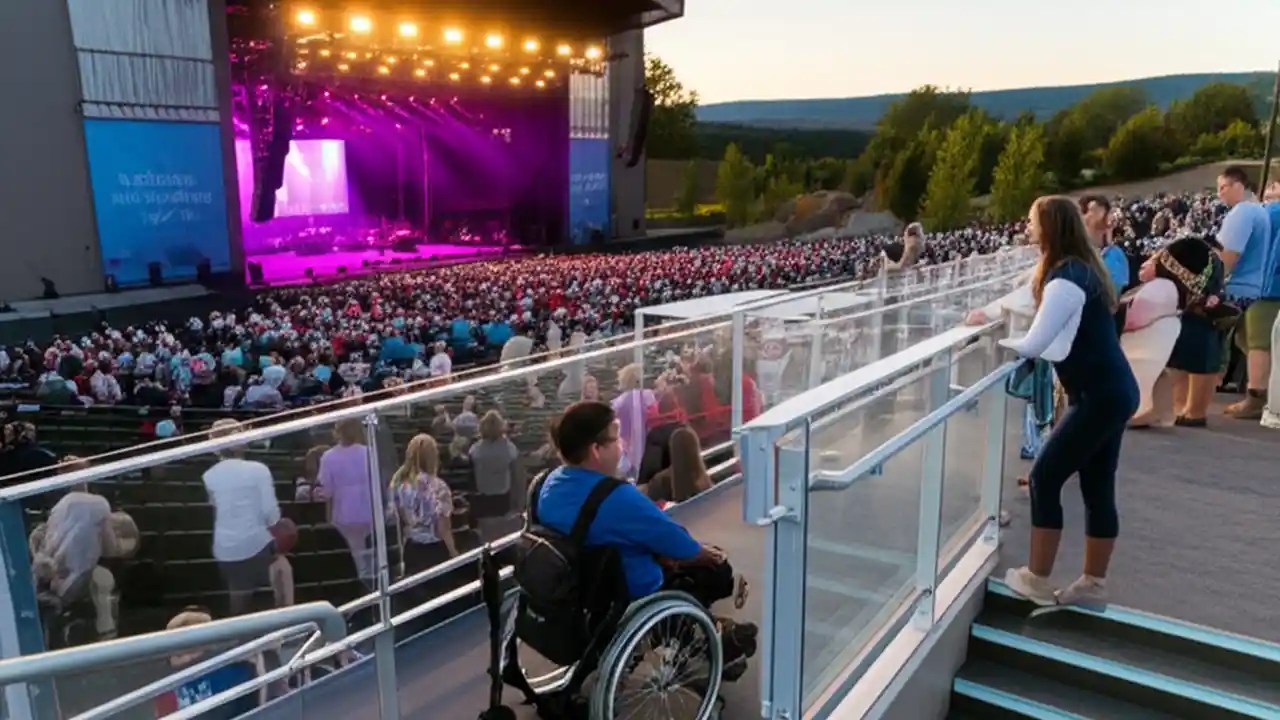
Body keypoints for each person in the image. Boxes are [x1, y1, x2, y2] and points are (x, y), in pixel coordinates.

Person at [1000, 196, 1138, 608]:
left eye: (1031, 220)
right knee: (1097, 485)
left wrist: (993, 342)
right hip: (1111, 391)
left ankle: (1037, 579)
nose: (1026, 226)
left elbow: (1034, 343)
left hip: (1098, 395)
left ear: (1049, 227)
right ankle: (1092, 584)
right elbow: (1020, 300)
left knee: (1045, 477)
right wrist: (983, 314)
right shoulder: (1078, 270)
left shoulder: (1064, 280)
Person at [203, 419, 282, 615]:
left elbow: (215, 507)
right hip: (255, 544)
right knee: (282, 570)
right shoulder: (259, 470)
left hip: (224, 547)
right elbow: (271, 514)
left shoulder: (209, 475)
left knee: (238, 592)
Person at [1215, 166, 1275, 420]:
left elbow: (1229, 254)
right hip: (1260, 285)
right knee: (1247, 340)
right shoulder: (1259, 211)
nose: (1219, 194)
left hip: (1251, 287)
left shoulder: (1244, 212)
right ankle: (1266, 391)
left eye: (1223, 188)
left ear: (1239, 185)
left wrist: (1212, 282)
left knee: (1256, 342)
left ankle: (1257, 396)